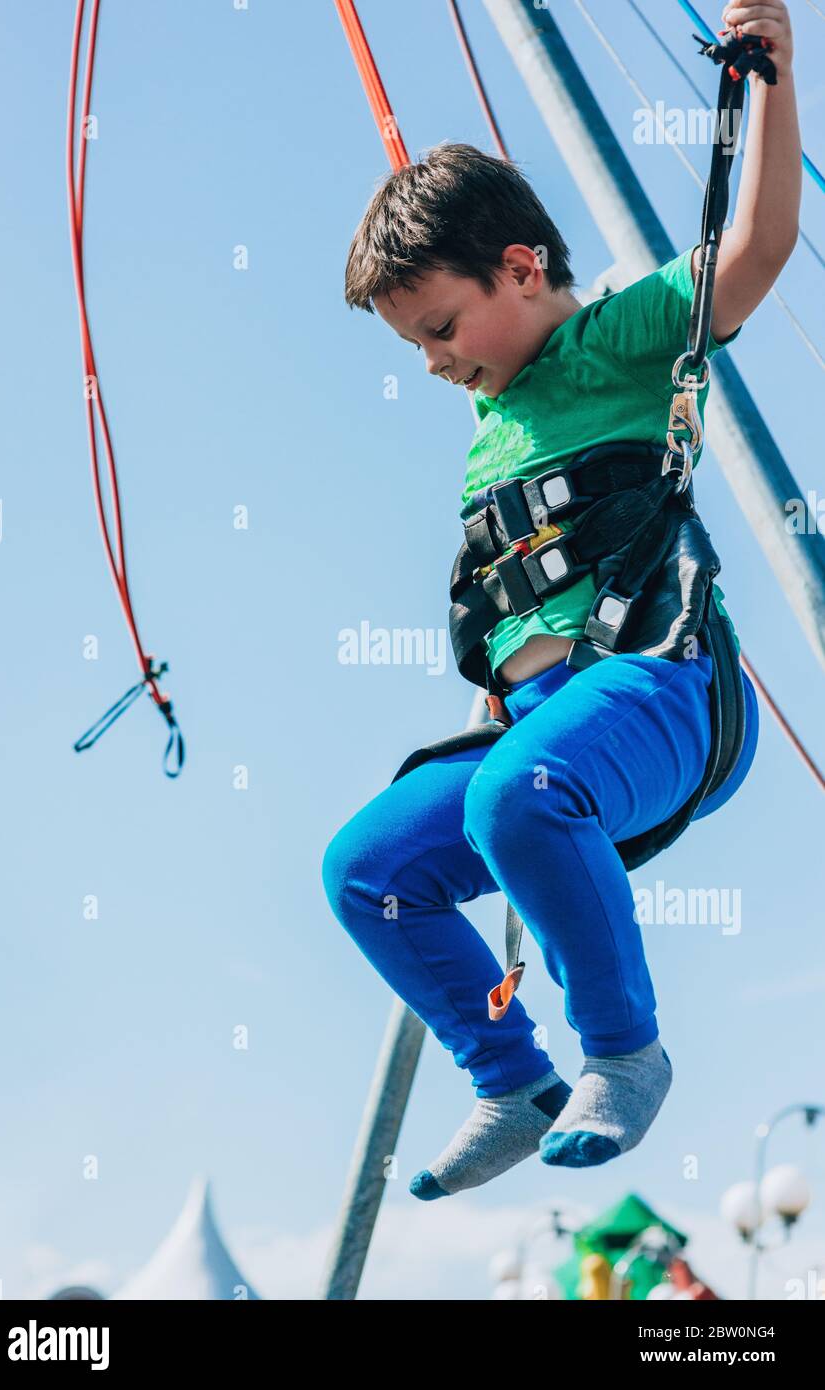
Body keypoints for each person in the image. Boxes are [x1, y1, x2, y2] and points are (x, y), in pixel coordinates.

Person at [322, 2, 800, 1197]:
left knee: (518, 795)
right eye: (413, 346)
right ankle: (512, 1081)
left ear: (523, 268)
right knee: (364, 867)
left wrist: (772, 76)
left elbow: (758, 246)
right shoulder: (491, 429)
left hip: (667, 695)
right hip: (538, 731)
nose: (434, 361)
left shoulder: (619, 341)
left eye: (440, 327)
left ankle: (624, 1053)